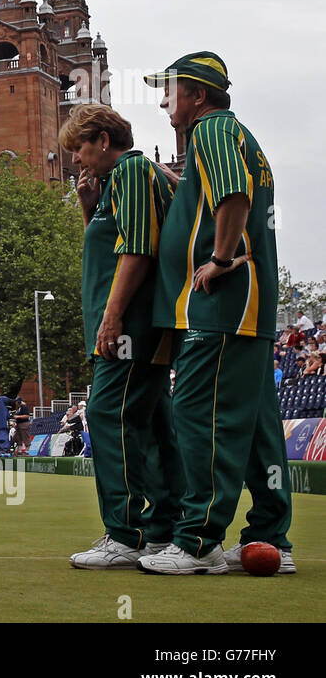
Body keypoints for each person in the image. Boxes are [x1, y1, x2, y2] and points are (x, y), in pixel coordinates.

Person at [136, 52, 293, 575]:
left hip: (222, 306)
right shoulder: (238, 135)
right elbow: (218, 194)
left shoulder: (211, 131)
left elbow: (233, 195)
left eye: (169, 91)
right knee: (257, 425)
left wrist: (220, 259)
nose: (163, 102)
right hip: (249, 309)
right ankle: (272, 536)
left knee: (199, 417)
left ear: (197, 96)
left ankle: (199, 542)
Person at [59, 102, 184, 569]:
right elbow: (114, 246)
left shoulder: (131, 173)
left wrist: (111, 320)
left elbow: (137, 252)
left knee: (108, 414)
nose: (75, 159)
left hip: (130, 327)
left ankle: (123, 534)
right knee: (151, 423)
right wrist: (89, 210)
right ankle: (163, 528)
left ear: (103, 141)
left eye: (79, 148)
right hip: (140, 325)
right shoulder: (124, 181)